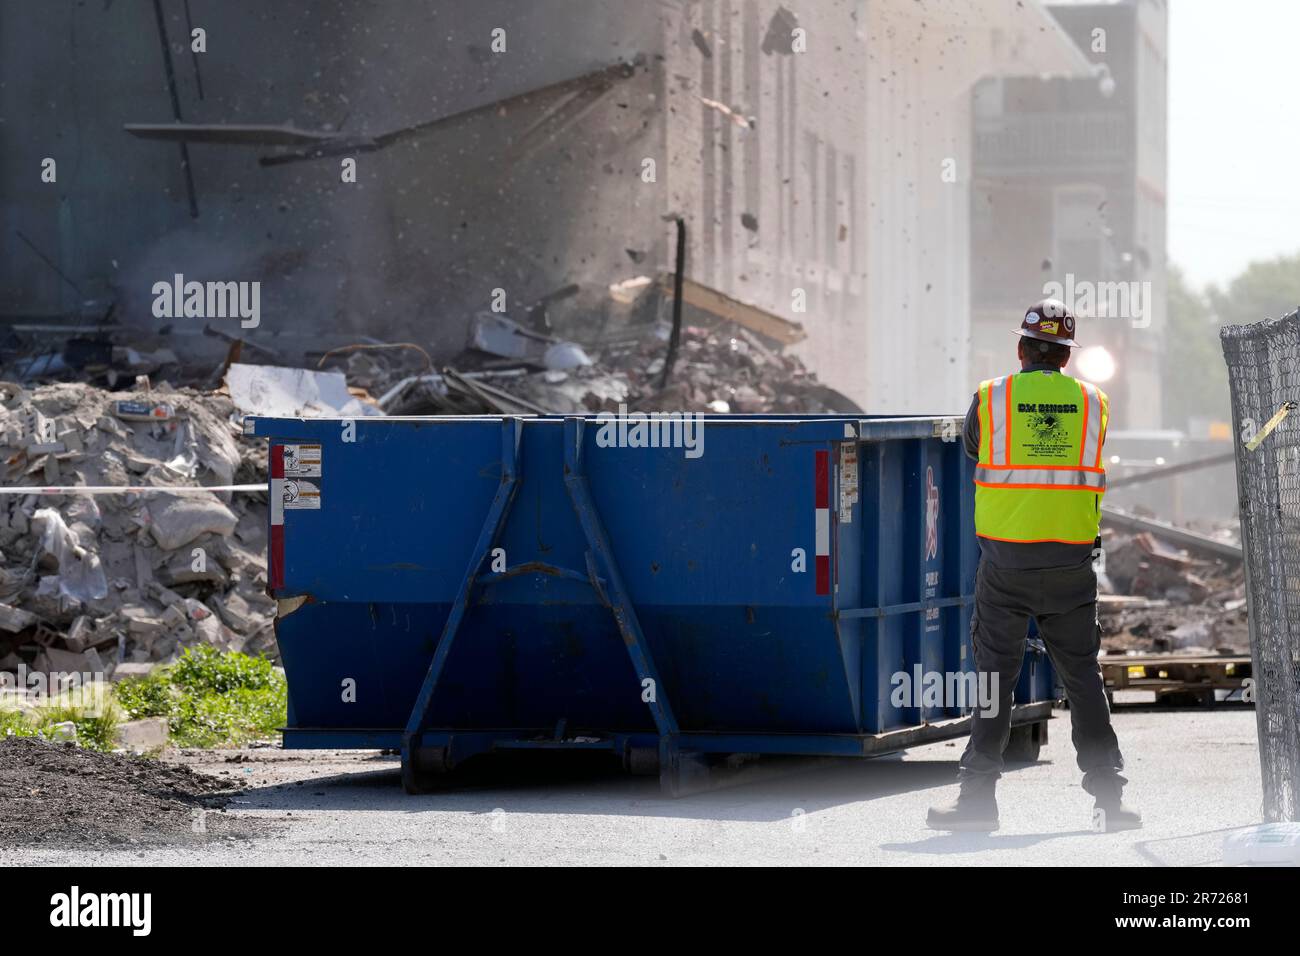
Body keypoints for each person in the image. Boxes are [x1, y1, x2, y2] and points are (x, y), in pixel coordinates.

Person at [927, 298, 1141, 833]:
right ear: (1067, 357)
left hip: (1006, 564)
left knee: (995, 679)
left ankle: (977, 805)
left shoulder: (992, 397)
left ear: (1021, 348)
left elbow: (976, 451)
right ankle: (1110, 804)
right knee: (1083, 679)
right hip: (1070, 567)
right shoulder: (1095, 403)